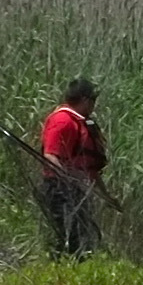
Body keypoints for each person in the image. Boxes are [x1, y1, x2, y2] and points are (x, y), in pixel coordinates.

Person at [39, 77, 111, 256]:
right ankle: (64, 266)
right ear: (85, 100)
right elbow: (50, 156)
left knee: (83, 236)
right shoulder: (63, 121)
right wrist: (71, 179)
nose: (94, 105)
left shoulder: (82, 122)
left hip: (77, 190)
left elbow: (90, 169)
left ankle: (77, 264)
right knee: (70, 237)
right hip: (60, 190)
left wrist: (106, 196)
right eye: (93, 100)